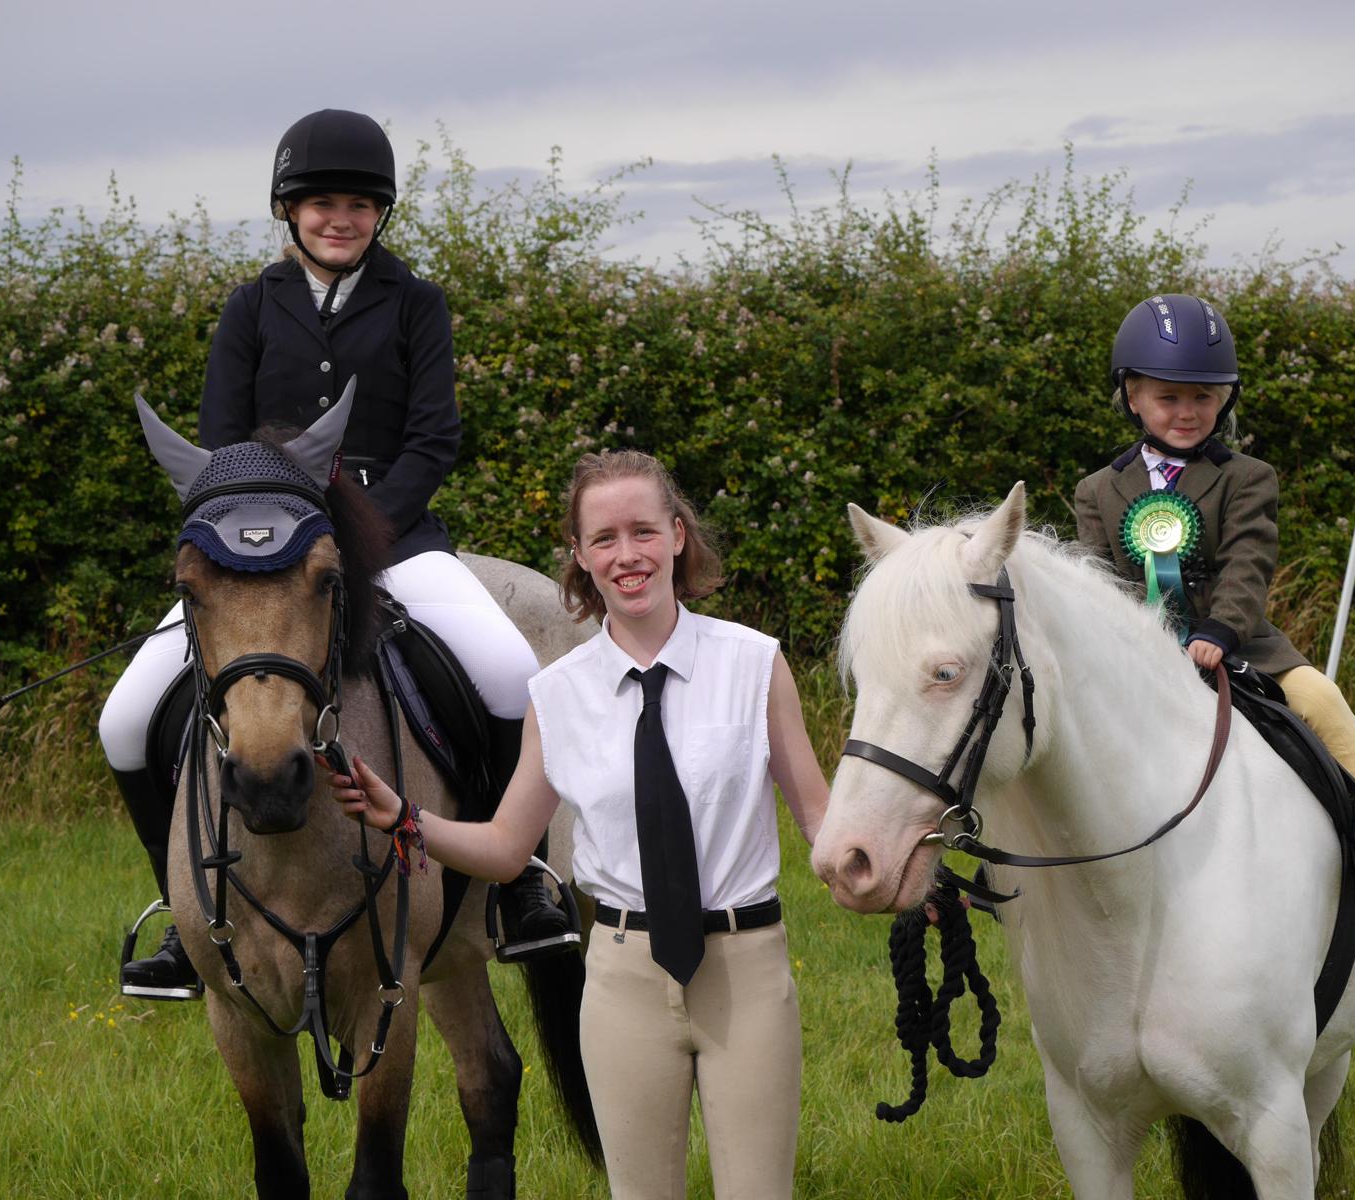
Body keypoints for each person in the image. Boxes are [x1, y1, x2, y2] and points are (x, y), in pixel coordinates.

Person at [101, 109, 565, 999]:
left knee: (509, 670)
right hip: (256, 558)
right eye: (321, 205)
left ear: (380, 213)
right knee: (123, 717)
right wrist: (278, 540)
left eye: (358, 204)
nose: (339, 219)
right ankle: (177, 912)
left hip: (396, 544)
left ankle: (523, 889)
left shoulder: (415, 304)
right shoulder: (251, 307)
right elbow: (217, 448)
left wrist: (358, 538)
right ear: (290, 211)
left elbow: (433, 442)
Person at [330, 449, 829, 1199]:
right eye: (604, 539)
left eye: (643, 531)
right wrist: (407, 818)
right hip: (622, 978)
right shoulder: (557, 692)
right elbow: (504, 849)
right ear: (580, 557)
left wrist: (903, 868)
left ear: (678, 536)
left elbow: (824, 826)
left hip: (745, 970)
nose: (626, 555)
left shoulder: (757, 665)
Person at [1074, 292, 1355, 899]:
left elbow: (1248, 561)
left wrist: (1219, 630)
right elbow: (1096, 581)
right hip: (1139, 656)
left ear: (1225, 399)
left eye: (1203, 397)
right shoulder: (1096, 491)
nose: (1187, 412)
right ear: (1132, 396)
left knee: (1318, 694)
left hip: (1238, 646)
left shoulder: (1247, 477)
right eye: (1169, 397)